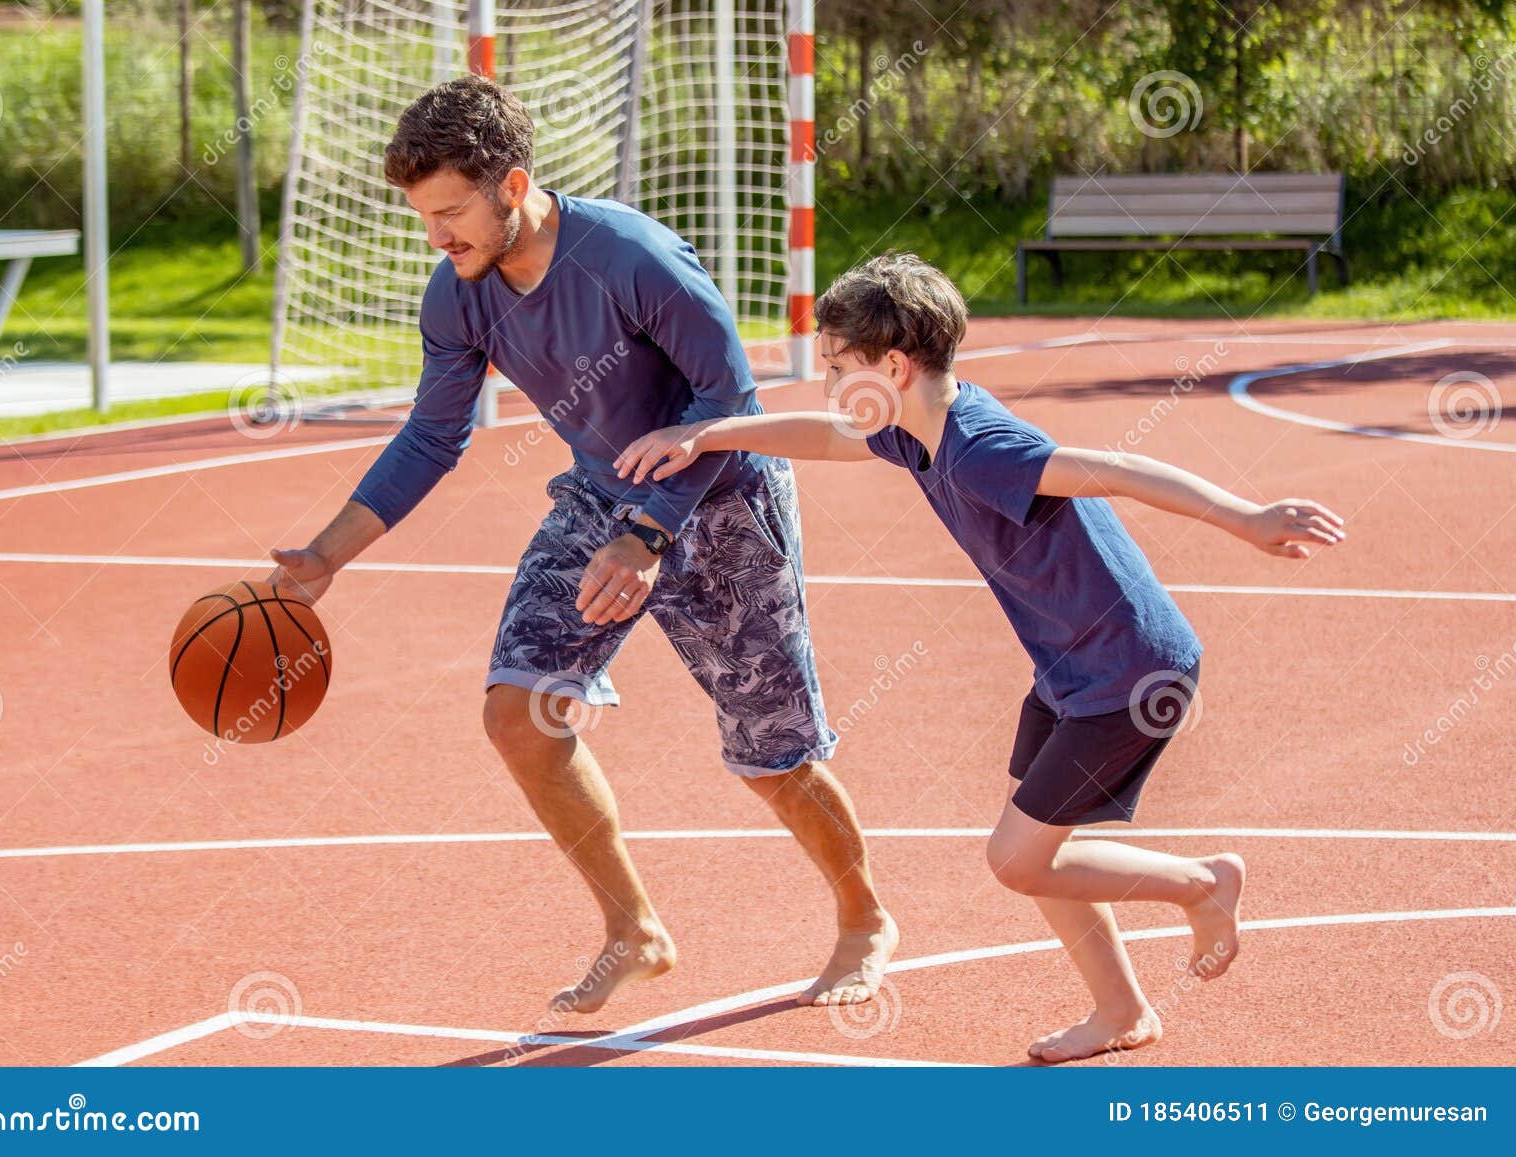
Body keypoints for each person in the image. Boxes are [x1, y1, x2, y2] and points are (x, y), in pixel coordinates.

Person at [613, 251, 1348, 1061]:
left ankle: (1204, 885)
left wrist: (1247, 517)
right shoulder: (912, 428)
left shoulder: (979, 445)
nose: (829, 385)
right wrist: (708, 432)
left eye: (837, 367)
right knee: (1043, 851)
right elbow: (826, 438)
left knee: (1018, 859)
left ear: (891, 366)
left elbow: (1120, 469)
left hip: (1129, 669)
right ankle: (1121, 1010)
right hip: (1071, 666)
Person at [267, 77, 897, 1014]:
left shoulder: (633, 258)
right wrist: (326, 556)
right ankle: (633, 926)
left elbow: (729, 404)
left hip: (723, 495)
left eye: (452, 215)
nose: (439, 239)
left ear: (512, 185)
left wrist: (650, 533)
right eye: (424, 219)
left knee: (773, 757)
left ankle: (863, 916)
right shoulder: (461, 294)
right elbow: (433, 436)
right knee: (518, 716)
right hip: (603, 493)